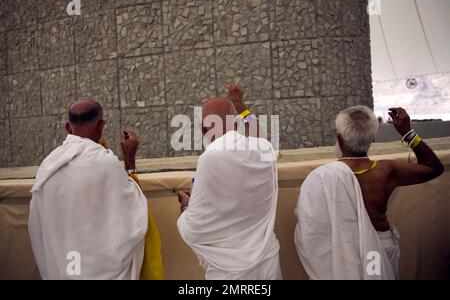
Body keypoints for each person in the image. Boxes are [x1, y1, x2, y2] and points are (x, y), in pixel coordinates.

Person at [295, 106, 444, 280]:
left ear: (339, 140)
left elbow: (311, 228)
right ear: (372, 139)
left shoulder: (324, 176)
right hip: (377, 252)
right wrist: (407, 132)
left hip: (343, 253)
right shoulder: (386, 170)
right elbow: (434, 167)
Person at [28, 99, 162, 280]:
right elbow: (134, 213)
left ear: (68, 127)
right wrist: (129, 161)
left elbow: (37, 228)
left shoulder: (47, 167)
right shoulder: (105, 163)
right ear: (101, 125)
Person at [177, 86, 282, 280]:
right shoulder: (263, 149)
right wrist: (242, 106)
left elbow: (195, 230)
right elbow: (258, 134)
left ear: (203, 128)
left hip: (230, 273)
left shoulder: (209, 158)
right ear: (235, 123)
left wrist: (185, 208)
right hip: (268, 262)